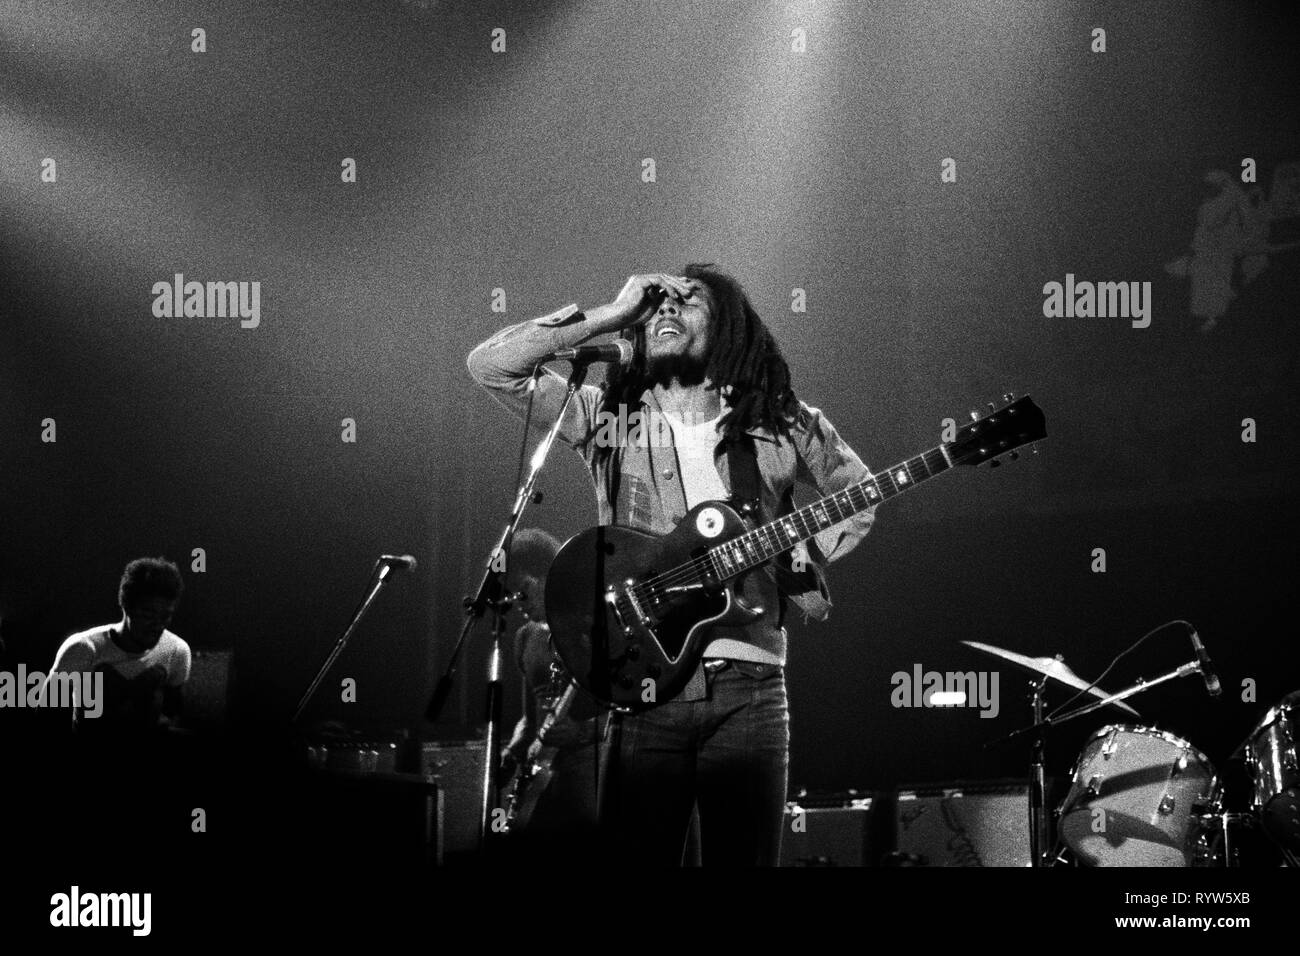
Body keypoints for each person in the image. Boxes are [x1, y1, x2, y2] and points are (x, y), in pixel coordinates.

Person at [468, 265, 876, 865]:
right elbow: (491, 365)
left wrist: (795, 553)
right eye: (656, 301)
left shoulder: (777, 418)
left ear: (726, 326)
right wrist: (611, 313)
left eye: (687, 301)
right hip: (644, 683)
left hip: (750, 685)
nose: (665, 308)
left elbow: (859, 494)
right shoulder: (609, 416)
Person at [498, 528, 606, 854]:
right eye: (511, 595)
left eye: (523, 591)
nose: (517, 603)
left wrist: (585, 731)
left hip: (594, 769)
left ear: (550, 575)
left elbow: (641, 706)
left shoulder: (596, 627)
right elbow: (529, 718)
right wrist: (511, 751)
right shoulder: (524, 638)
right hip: (541, 776)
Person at [44, 556, 191, 734]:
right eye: (148, 614)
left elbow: (174, 711)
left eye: (165, 616)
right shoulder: (83, 648)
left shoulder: (177, 650)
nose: (158, 625)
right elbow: (46, 715)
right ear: (127, 607)